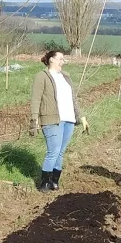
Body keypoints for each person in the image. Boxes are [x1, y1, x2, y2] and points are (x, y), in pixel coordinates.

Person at [29, 49, 89, 193]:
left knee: (60, 152)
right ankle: (44, 183)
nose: (63, 61)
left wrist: (81, 117)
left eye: (63, 59)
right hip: (51, 119)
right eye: (61, 59)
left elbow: (73, 99)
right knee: (53, 151)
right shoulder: (42, 76)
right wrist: (34, 119)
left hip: (68, 119)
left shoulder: (66, 76)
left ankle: (54, 181)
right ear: (51, 60)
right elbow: (36, 99)